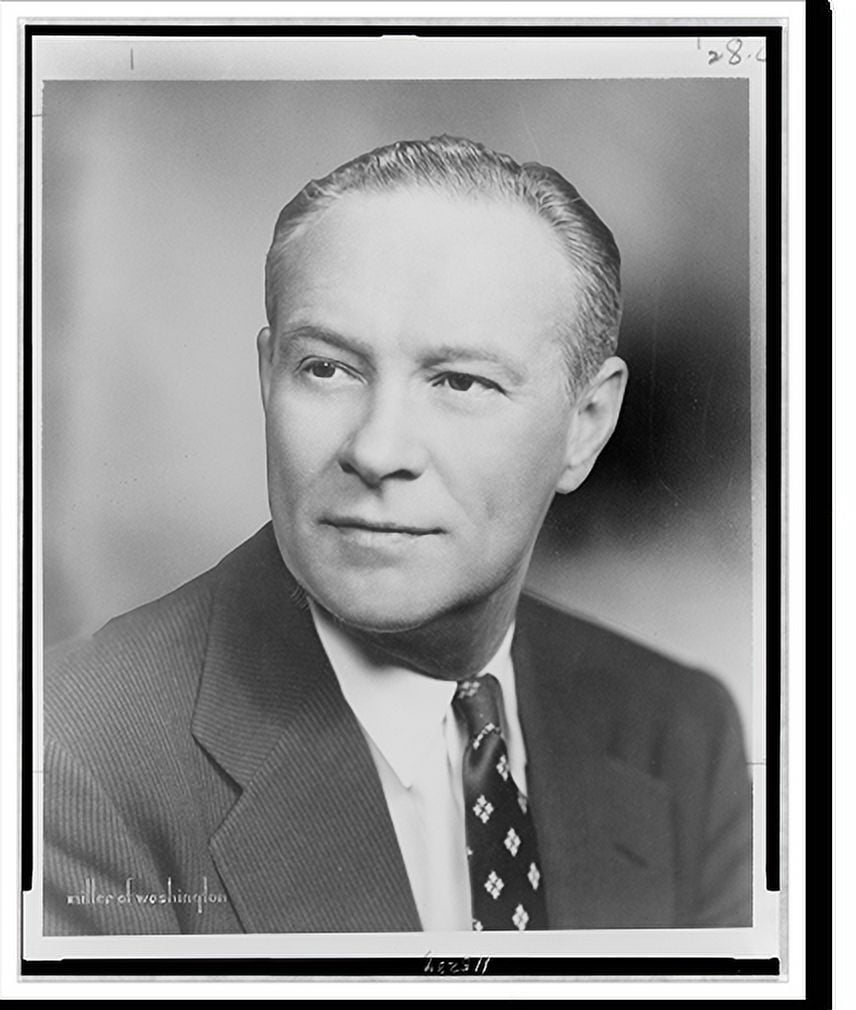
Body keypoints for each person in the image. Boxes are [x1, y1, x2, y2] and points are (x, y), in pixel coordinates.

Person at [42, 135, 752, 936]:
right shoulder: (71, 751)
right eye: (327, 369)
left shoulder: (679, 733)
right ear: (266, 378)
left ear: (586, 426)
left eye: (460, 382)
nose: (377, 450)